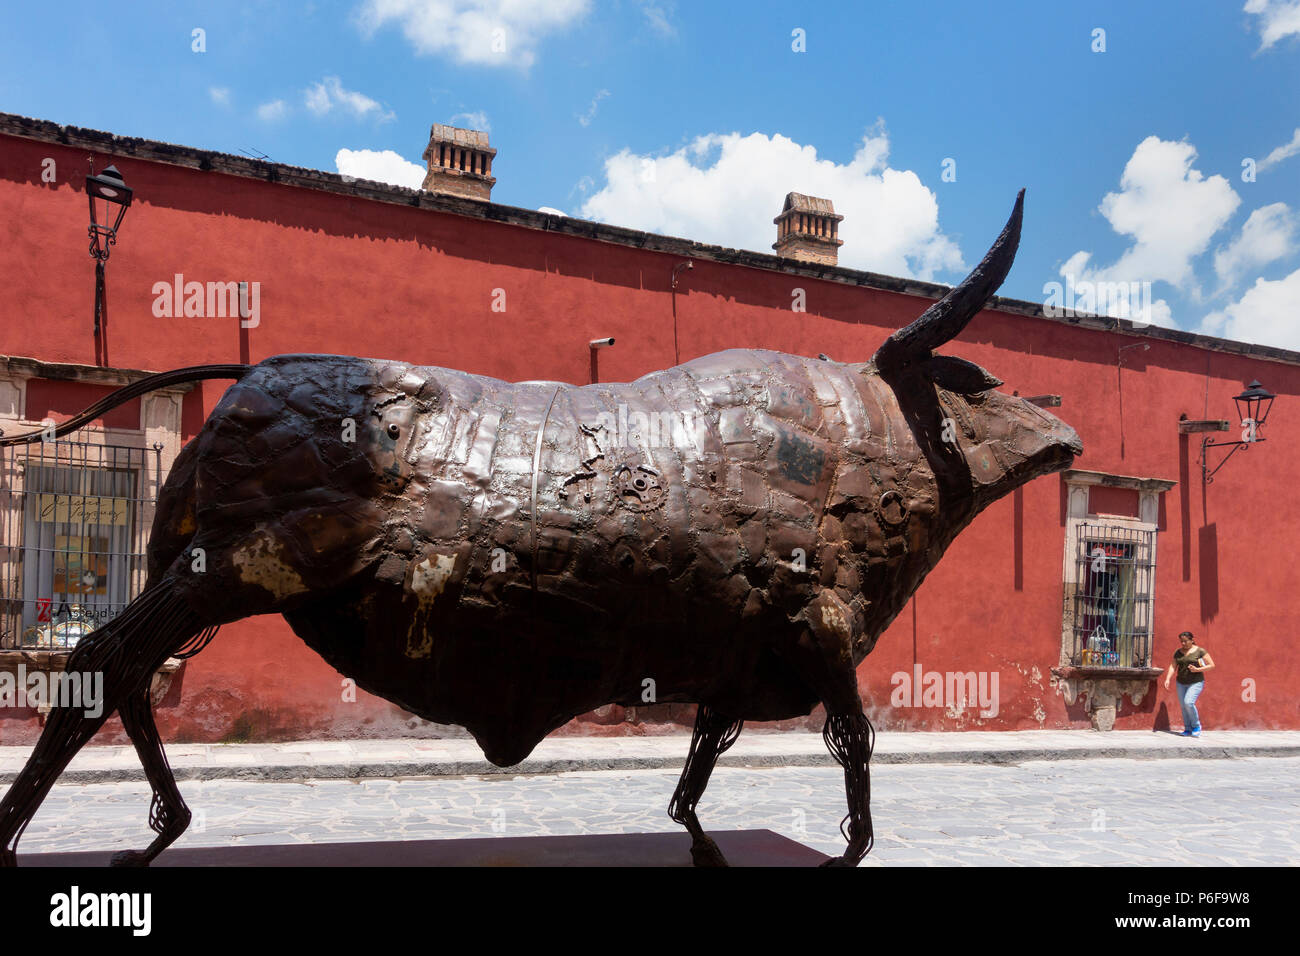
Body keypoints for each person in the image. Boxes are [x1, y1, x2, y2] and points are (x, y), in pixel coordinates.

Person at [1163, 631, 1214, 737]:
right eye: (1181, 641)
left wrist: (1197, 669)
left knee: (1188, 702)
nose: (1183, 644)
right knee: (1183, 706)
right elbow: (1173, 666)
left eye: (1185, 641)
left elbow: (1211, 665)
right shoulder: (1178, 652)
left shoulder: (1200, 651)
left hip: (1196, 682)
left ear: (1192, 640)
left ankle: (1196, 726)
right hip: (1181, 682)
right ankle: (1187, 728)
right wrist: (1168, 678)